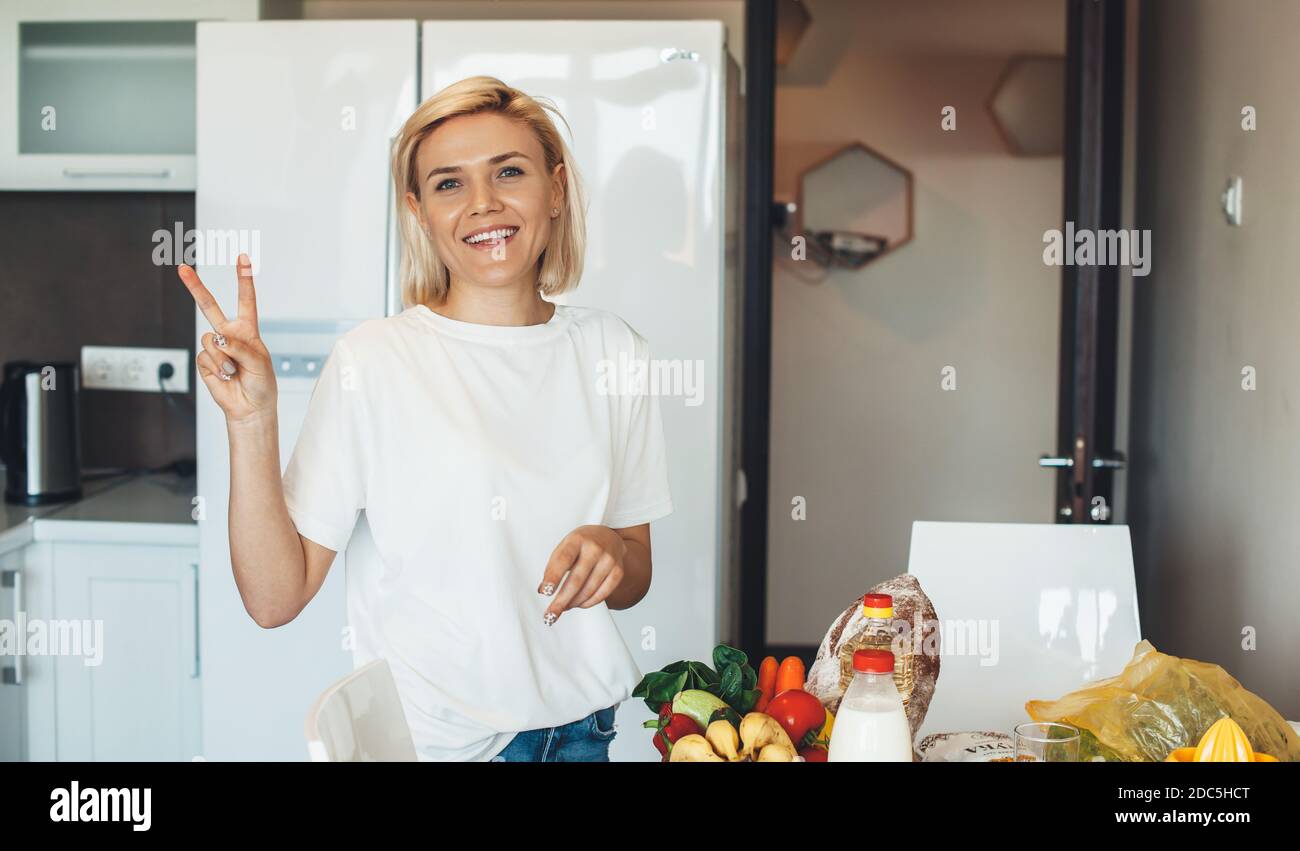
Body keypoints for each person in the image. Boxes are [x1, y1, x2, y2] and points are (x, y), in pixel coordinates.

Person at [178, 76, 673, 761]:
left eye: (509, 171)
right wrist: (253, 420)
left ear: (556, 190)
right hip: (447, 747)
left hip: (587, 732)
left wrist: (615, 551)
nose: (484, 204)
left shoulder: (616, 351)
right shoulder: (374, 361)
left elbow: (636, 570)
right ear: (418, 210)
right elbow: (274, 597)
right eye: (449, 184)